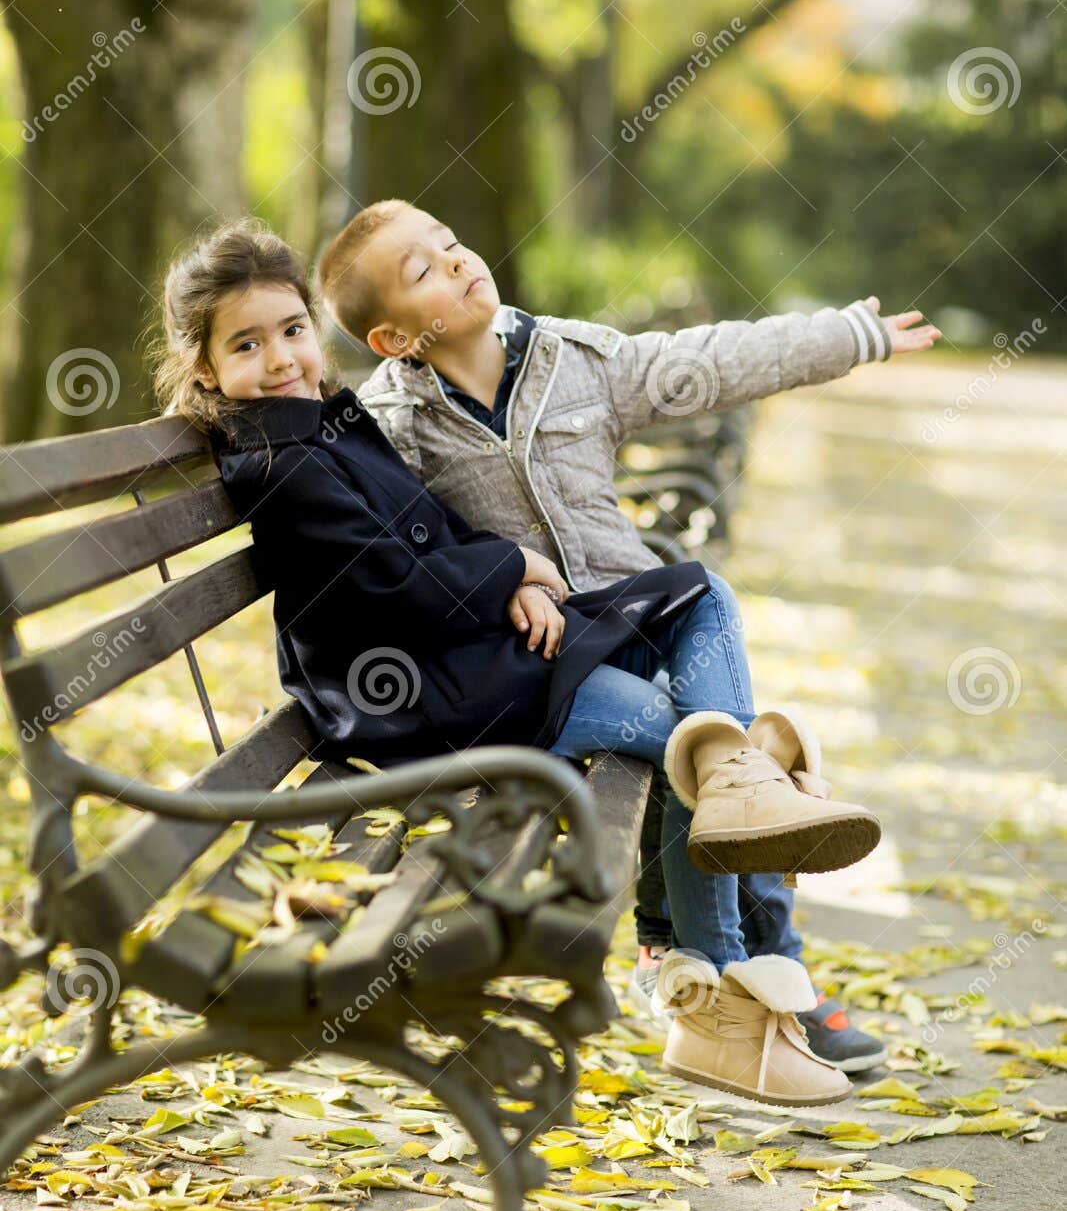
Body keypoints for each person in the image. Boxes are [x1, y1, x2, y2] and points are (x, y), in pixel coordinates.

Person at [152, 221, 885, 1107]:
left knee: (700, 602)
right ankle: (725, 988)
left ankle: (718, 955)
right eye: (246, 344)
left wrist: (510, 582)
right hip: (421, 694)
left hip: (474, 651)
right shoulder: (282, 457)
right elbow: (385, 577)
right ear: (204, 369)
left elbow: (434, 530)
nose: (279, 359)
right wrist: (511, 572)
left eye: (290, 331)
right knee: (693, 742)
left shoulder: (325, 424)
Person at [318, 199, 938, 1071]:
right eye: (423, 270)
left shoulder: (573, 358)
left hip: (624, 620)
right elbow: (402, 549)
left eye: (452, 242)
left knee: (711, 642)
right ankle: (745, 973)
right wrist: (504, 583)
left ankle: (699, 951)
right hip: (534, 663)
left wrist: (847, 337)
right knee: (717, 752)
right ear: (393, 338)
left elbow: (709, 360)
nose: (456, 262)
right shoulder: (393, 425)